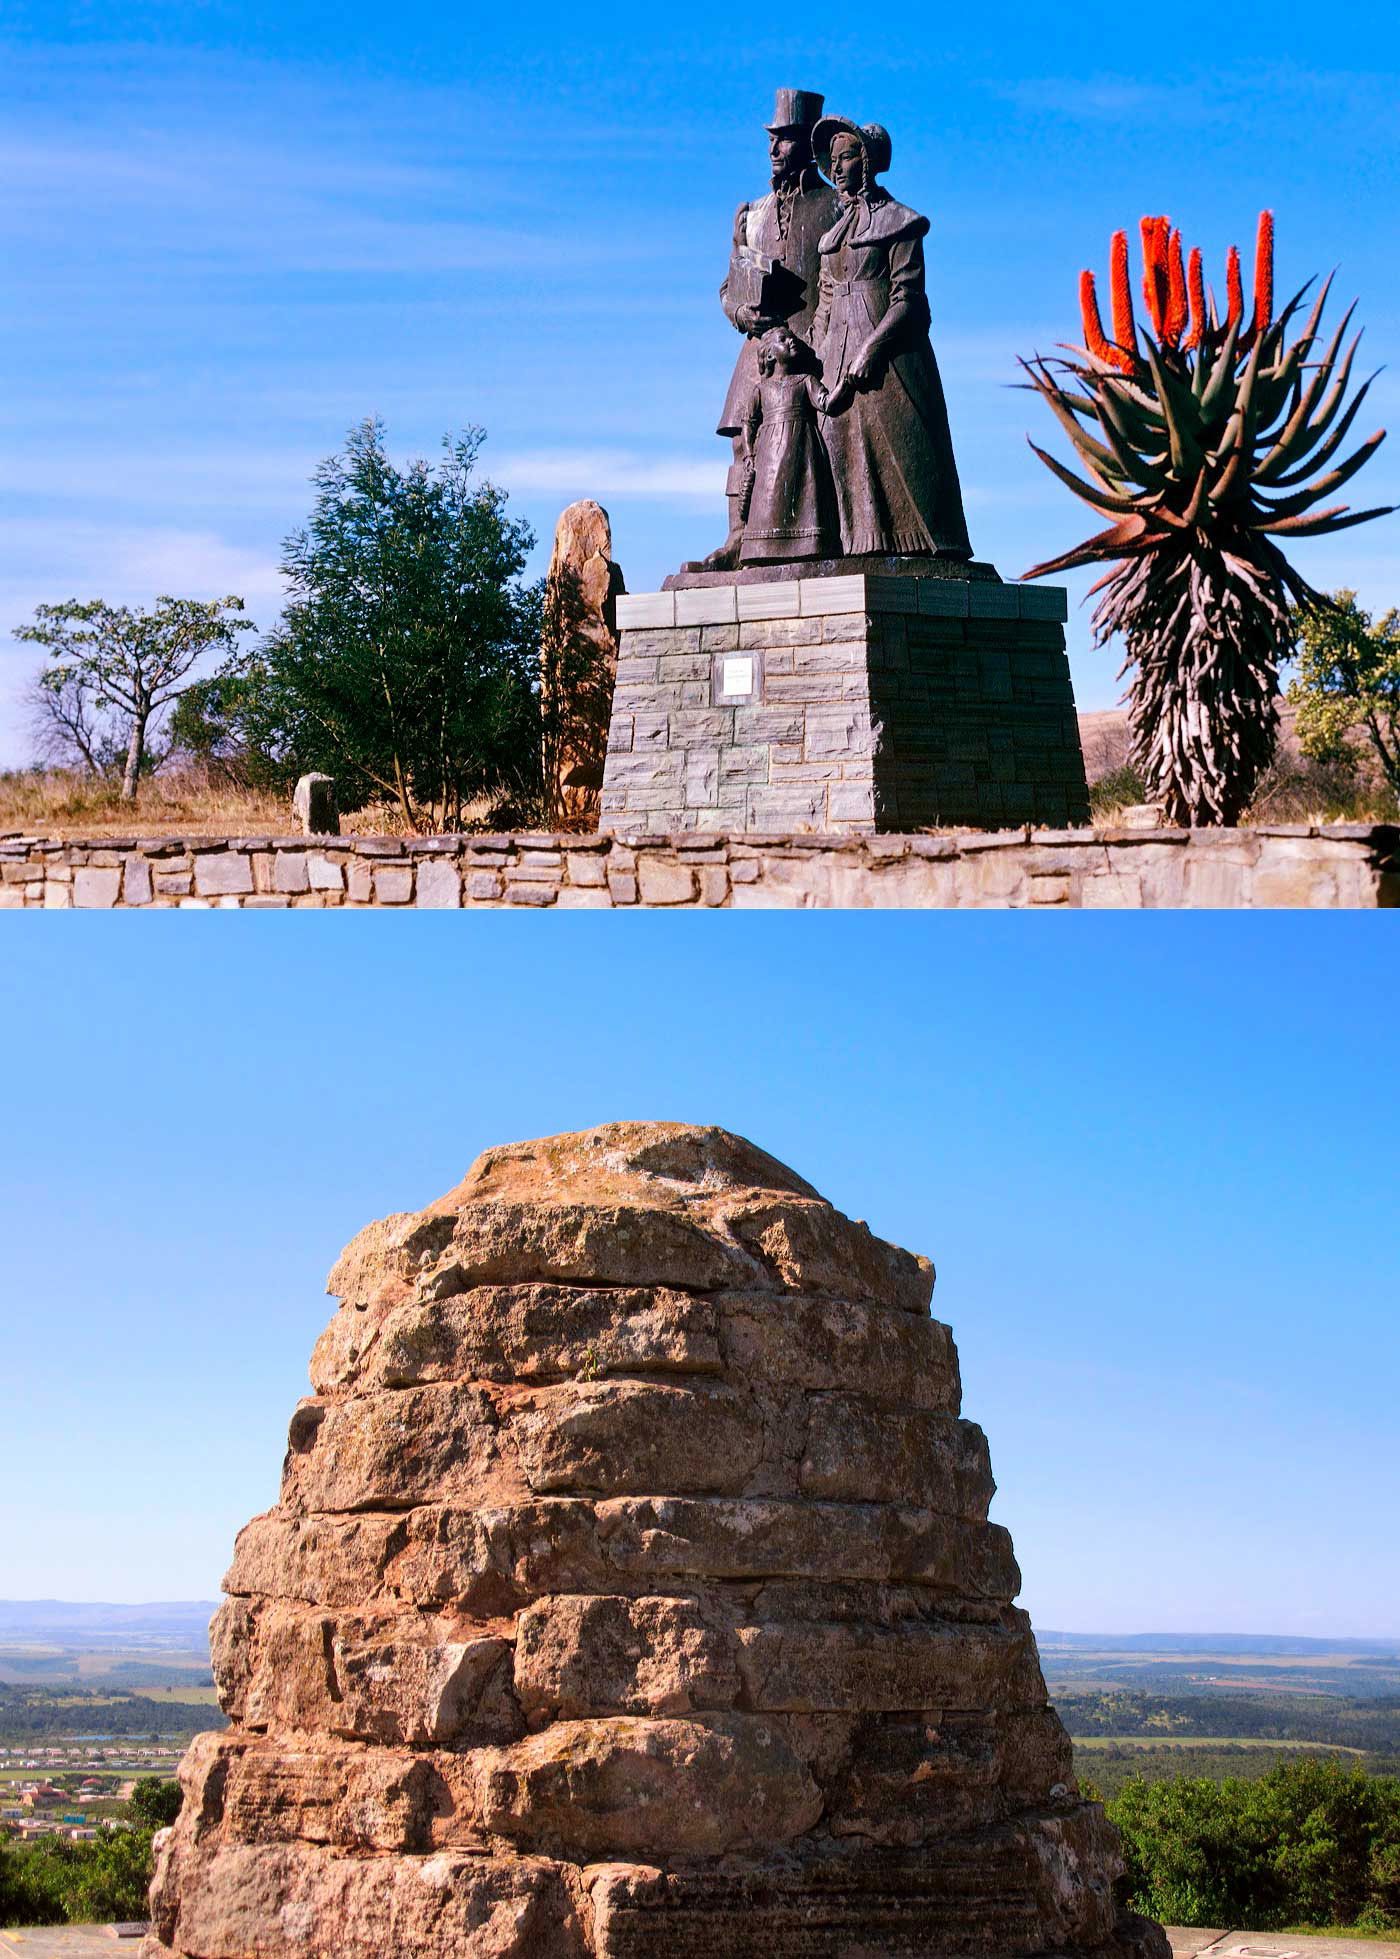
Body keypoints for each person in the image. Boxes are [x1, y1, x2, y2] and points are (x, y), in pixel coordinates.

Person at [809, 116, 973, 560]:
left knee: (901, 454)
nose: (836, 168)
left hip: (887, 357)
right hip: (835, 357)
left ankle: (919, 546)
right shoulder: (832, 237)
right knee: (842, 453)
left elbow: (910, 300)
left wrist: (872, 348)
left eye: (845, 157)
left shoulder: (900, 223)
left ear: (867, 161)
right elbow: (824, 305)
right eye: (832, 160)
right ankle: (853, 545)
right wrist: (811, 355)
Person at [700, 88, 843, 570]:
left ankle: (820, 534)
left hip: (812, 345)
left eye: (783, 139)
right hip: (758, 344)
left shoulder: (834, 207)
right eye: (771, 139)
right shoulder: (754, 213)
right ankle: (737, 538)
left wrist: (822, 343)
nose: (773, 149)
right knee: (744, 438)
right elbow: (727, 286)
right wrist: (742, 314)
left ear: (806, 144)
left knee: (817, 443)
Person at [737, 327, 848, 564]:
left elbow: (826, 403)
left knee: (806, 494)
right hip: (770, 455)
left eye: (793, 338)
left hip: (804, 449)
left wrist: (847, 384)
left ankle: (809, 543)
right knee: (770, 499)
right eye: (783, 340)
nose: (791, 342)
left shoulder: (806, 381)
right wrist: (749, 455)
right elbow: (748, 422)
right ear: (769, 356)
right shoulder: (761, 389)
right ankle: (765, 548)